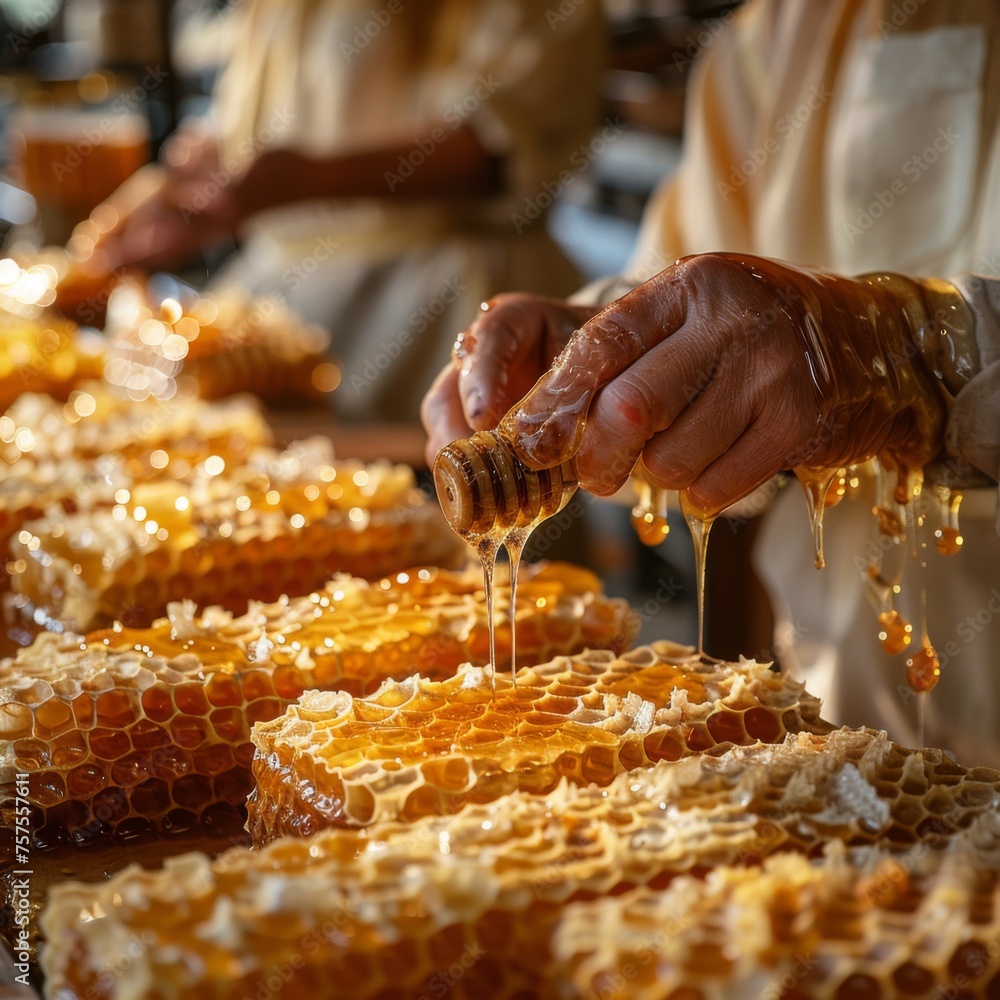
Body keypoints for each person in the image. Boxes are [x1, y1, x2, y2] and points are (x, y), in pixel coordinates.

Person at [422, 0, 1000, 766]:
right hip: (854, 748)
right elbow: (693, 287)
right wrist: (600, 354)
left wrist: (907, 350)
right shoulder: (773, 37)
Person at [72, 0, 605, 422]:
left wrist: (302, 179)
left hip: (435, 299)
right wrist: (204, 182)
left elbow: (498, 144)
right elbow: (273, 118)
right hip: (285, 296)